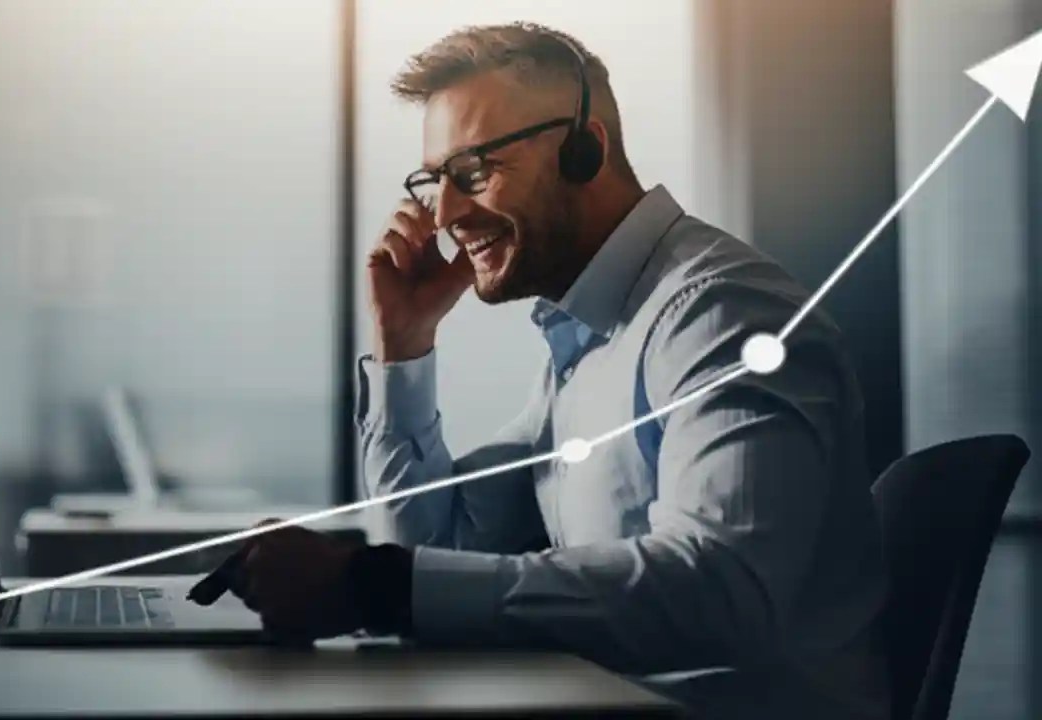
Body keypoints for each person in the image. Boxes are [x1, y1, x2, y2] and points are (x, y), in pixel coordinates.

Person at [192, 22, 891, 720]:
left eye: (472, 172)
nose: (444, 215)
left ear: (585, 149)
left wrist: (373, 587)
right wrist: (403, 345)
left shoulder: (722, 313)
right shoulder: (585, 342)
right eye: (435, 182)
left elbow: (726, 593)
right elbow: (432, 547)